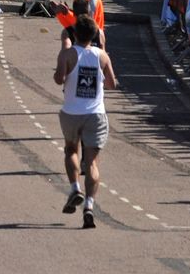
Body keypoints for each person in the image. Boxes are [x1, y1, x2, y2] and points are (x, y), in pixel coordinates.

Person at [55, 14, 118, 229]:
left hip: (72, 112)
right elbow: (112, 84)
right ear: (93, 35)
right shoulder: (102, 56)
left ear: (75, 33)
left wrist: (65, 66)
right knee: (92, 162)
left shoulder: (68, 54)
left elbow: (59, 79)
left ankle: (75, 188)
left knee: (71, 150)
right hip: (95, 114)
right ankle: (89, 206)